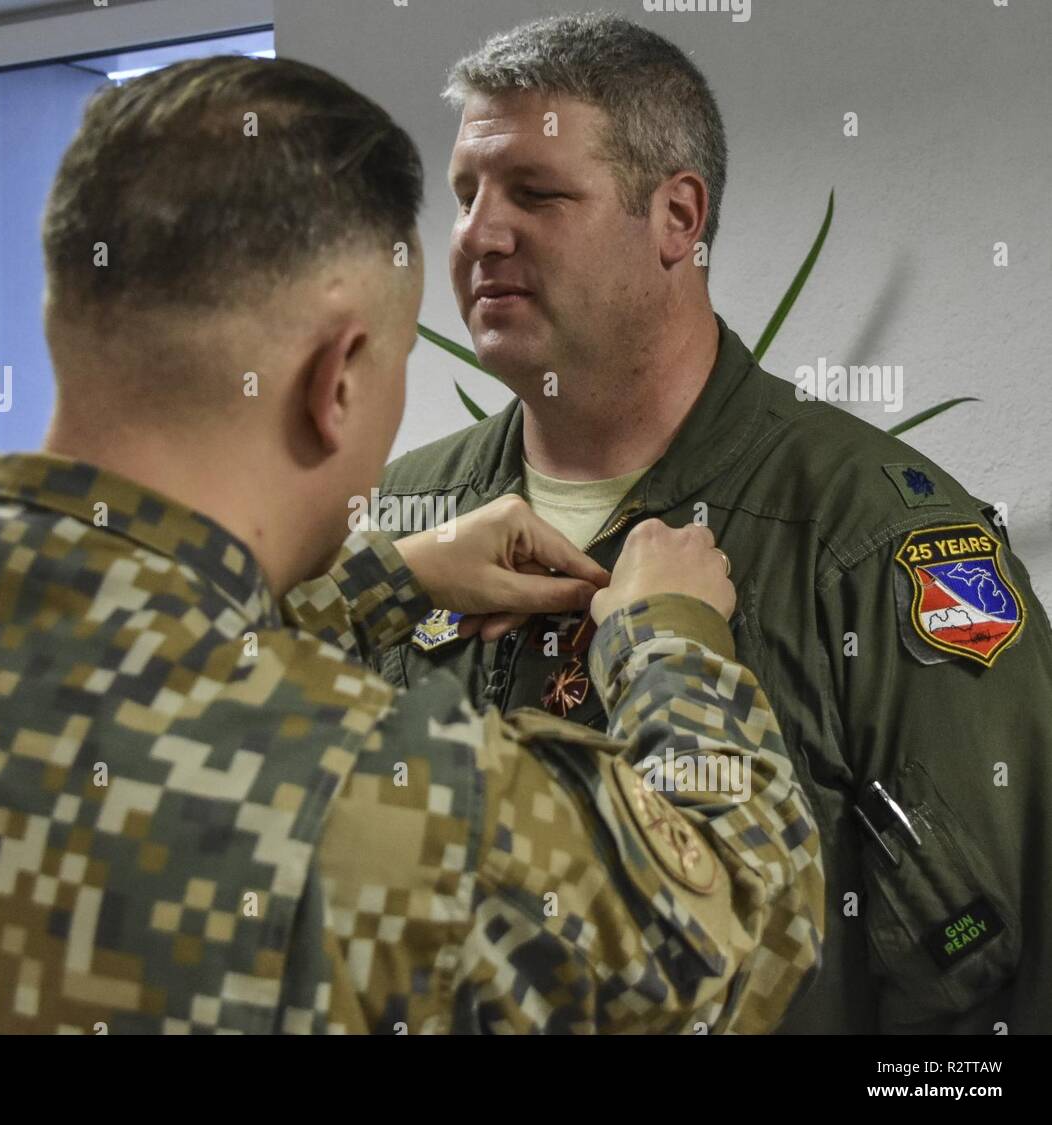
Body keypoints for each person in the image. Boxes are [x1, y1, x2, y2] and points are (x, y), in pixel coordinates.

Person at [0, 55, 821, 1035]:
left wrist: (378, 586)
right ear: (338, 380)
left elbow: (125, 671)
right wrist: (668, 637)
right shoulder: (381, 796)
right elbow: (729, 925)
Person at [375, 12, 1052, 1033]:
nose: (477, 232)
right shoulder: (403, 523)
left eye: (536, 192)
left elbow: (995, 968)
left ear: (677, 218)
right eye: (466, 193)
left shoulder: (874, 540)